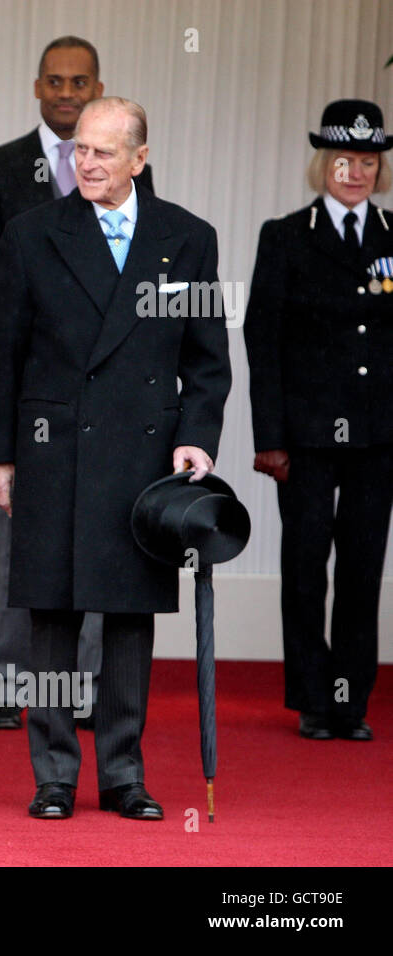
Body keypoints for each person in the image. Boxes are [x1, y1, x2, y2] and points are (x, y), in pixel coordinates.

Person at [0, 97, 231, 821]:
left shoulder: (188, 238)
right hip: (52, 448)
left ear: (139, 160)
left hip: (144, 454)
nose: (85, 163)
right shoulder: (32, 235)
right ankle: (54, 774)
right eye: (79, 151)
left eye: (103, 152)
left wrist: (198, 437)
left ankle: (124, 775)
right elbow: (6, 357)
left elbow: (208, 359)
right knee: (50, 612)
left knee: (128, 616)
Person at [0, 36, 154, 731]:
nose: (68, 92)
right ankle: (7, 683)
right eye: (56, 80)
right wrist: (55, 351)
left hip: (114, 403)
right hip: (37, 391)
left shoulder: (130, 169)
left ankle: (85, 689)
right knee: (22, 549)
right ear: (37, 87)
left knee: (106, 551)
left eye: (81, 81)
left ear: (97, 86)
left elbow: (136, 287)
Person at [244, 99, 393, 743]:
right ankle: (311, 696)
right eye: (343, 159)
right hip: (305, 435)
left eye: (367, 161)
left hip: (378, 436)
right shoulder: (285, 237)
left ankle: (348, 701)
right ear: (321, 164)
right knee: (307, 565)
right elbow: (262, 340)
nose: (355, 172)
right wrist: (269, 438)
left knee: (363, 569)